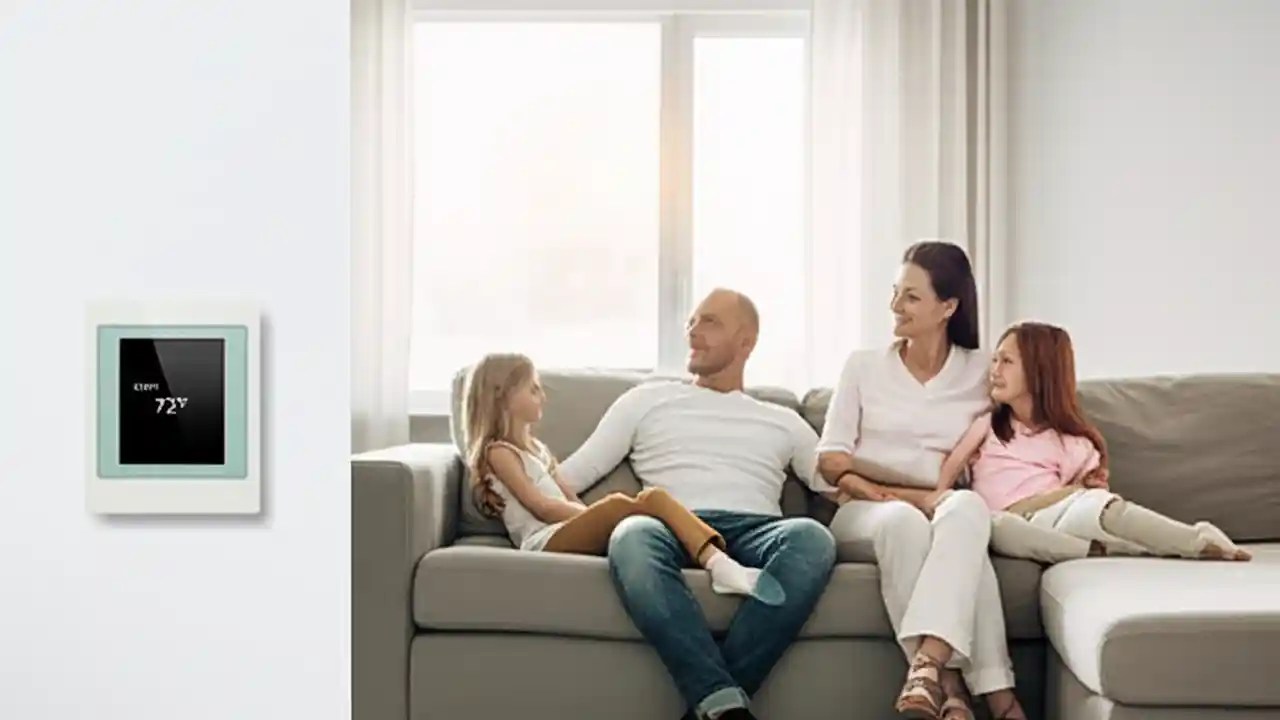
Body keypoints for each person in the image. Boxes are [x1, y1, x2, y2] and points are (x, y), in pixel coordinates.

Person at [554, 289, 838, 720]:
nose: (693, 332)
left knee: (813, 537)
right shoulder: (646, 400)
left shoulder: (784, 421)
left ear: (747, 342)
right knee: (630, 534)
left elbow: (839, 485)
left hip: (758, 529)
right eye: (691, 322)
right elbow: (571, 477)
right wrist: (499, 457)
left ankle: (716, 703)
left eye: (710, 323)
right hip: (669, 524)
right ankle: (725, 702)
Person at [817, 241, 1026, 720]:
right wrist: (895, 492)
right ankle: (992, 694)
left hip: (946, 504)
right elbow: (831, 461)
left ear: (948, 307)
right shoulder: (863, 366)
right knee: (903, 523)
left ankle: (932, 675)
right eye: (895, 293)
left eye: (911, 296)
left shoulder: (980, 372)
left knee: (968, 510)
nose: (895, 306)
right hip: (865, 512)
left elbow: (1035, 415)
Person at [461, 352, 785, 604]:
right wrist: (605, 515)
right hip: (543, 542)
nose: (541, 396)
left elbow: (568, 498)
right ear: (501, 395)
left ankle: (719, 563)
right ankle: (717, 561)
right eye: (532, 389)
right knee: (621, 505)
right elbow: (542, 507)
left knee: (654, 497)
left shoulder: (539, 449)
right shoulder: (499, 452)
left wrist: (606, 515)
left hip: (566, 529)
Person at [940, 321, 1252, 564]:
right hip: (1008, 519)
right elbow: (948, 473)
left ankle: (1198, 541)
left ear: (1038, 372)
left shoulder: (1069, 441)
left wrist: (1090, 490)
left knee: (1104, 508)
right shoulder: (987, 426)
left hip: (1053, 514)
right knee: (1001, 529)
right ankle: (1096, 550)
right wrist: (924, 498)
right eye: (994, 360)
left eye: (1006, 361)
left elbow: (1088, 495)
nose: (994, 370)